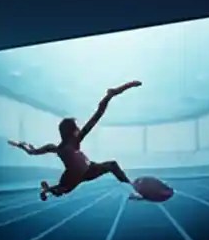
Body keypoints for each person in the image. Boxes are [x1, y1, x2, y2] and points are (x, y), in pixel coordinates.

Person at [8, 80, 141, 200]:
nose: (79, 129)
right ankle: (51, 190)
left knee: (109, 166)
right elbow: (97, 116)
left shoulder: (55, 147)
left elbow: (33, 152)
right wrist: (110, 96)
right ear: (72, 132)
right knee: (64, 188)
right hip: (77, 175)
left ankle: (51, 190)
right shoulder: (74, 141)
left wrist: (22, 145)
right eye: (77, 128)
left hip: (85, 170)